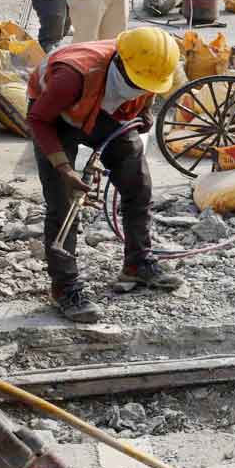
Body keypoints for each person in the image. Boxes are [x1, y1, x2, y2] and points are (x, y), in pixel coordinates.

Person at [26, 28, 185, 323]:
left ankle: (138, 262)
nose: (140, 88)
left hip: (106, 114)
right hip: (56, 115)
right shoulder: (73, 77)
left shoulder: (152, 64)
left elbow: (152, 88)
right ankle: (65, 288)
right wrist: (65, 168)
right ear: (121, 64)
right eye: (136, 83)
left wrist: (146, 110)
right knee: (63, 205)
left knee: (138, 185)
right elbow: (38, 120)